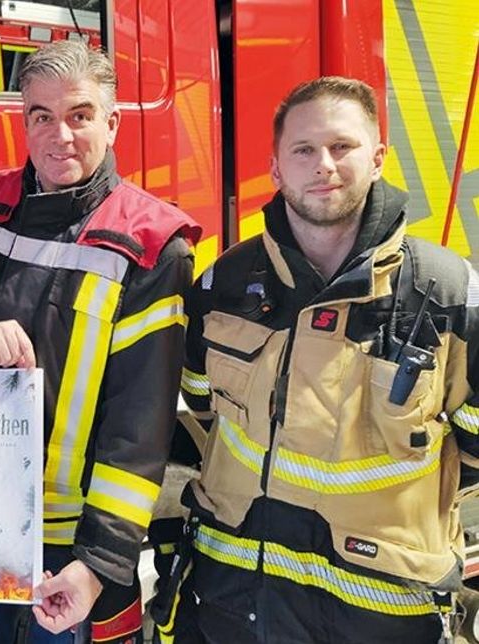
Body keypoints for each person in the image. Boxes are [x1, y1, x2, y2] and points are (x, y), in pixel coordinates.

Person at [0, 40, 201, 643]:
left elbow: (140, 426)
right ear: (24, 123)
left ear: (112, 124)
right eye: (42, 116)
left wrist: (99, 563)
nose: (60, 136)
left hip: (72, 546)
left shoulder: (152, 245)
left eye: (80, 115)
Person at [159, 76, 479, 644]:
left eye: (341, 146)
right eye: (304, 150)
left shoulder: (448, 292)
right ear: (276, 168)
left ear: (377, 158)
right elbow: (201, 407)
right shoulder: (222, 284)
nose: (323, 165)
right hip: (235, 600)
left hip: (380, 614)